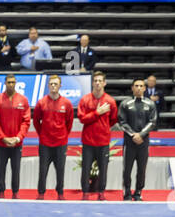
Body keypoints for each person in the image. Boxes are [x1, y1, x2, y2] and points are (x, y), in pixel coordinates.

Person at [0, 74, 30, 199]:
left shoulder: (23, 100)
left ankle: (15, 193)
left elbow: (26, 121)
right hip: (2, 143)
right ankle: (1, 192)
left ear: (15, 83)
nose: (11, 84)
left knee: (16, 169)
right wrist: (3, 137)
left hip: (17, 144)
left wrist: (18, 138)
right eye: (9, 82)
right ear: (5, 83)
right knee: (1, 169)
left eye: (13, 82)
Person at [78, 70, 117, 200]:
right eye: (95, 81)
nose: (98, 83)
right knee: (85, 169)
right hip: (88, 142)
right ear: (92, 83)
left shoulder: (110, 101)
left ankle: (101, 193)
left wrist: (102, 127)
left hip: (103, 142)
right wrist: (97, 113)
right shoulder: (85, 100)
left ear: (104, 83)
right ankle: (85, 193)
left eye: (100, 81)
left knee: (103, 169)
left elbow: (112, 120)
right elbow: (82, 119)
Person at [33, 74, 73, 199]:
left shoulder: (66, 103)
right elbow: (36, 121)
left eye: (56, 84)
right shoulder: (41, 103)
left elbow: (69, 122)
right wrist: (42, 134)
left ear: (60, 86)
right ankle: (41, 193)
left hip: (61, 143)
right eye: (51, 84)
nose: (53, 86)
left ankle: (60, 193)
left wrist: (63, 135)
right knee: (43, 170)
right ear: (48, 86)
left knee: (60, 170)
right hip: (45, 143)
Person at [118, 77, 157, 201]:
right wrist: (133, 134)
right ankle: (127, 192)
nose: (139, 88)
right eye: (136, 86)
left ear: (145, 88)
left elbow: (153, 122)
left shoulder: (150, 104)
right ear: (132, 88)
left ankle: (138, 192)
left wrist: (141, 134)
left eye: (141, 86)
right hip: (129, 142)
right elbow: (122, 122)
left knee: (142, 169)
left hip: (143, 142)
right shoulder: (125, 104)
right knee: (127, 169)